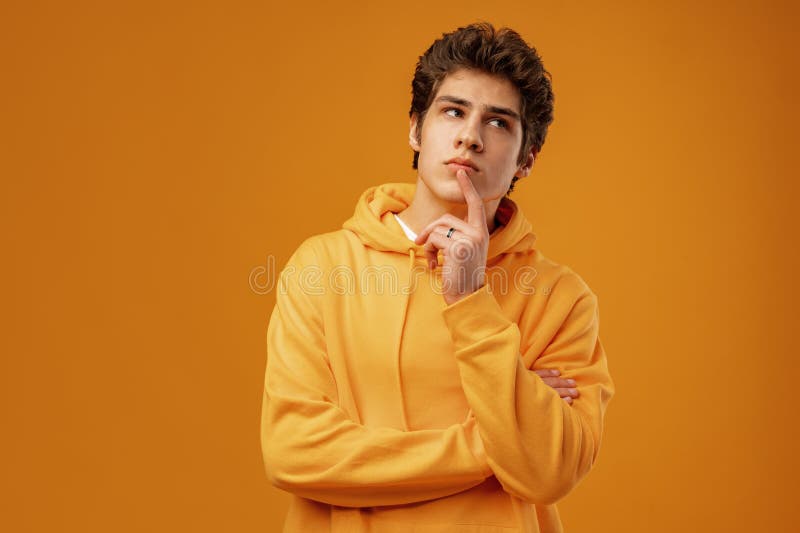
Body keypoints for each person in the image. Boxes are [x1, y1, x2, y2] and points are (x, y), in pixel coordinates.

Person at [260, 22, 614, 533]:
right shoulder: (321, 269)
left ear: (526, 158)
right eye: (453, 111)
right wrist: (494, 442)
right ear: (415, 130)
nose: (469, 136)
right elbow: (292, 452)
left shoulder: (562, 299)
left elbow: (550, 470)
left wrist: (471, 302)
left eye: (498, 123)